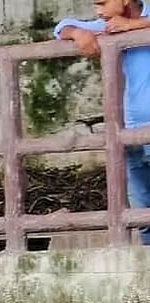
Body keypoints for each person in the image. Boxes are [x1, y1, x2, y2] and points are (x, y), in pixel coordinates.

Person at [54, 0, 150, 243]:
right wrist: (77, 33)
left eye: (103, 3)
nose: (98, 11)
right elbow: (62, 27)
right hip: (130, 130)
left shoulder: (127, 21)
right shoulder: (109, 24)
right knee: (144, 214)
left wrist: (133, 25)